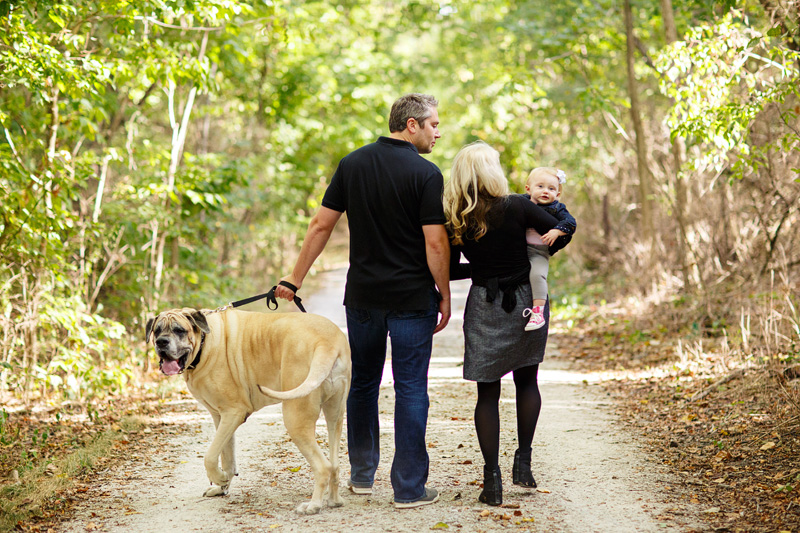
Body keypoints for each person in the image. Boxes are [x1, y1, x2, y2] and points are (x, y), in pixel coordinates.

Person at [274, 93, 451, 509]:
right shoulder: (427, 174)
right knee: (410, 388)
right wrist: (443, 293)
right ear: (411, 125)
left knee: (364, 383)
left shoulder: (352, 164)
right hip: (411, 298)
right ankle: (409, 488)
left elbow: (321, 224)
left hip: (364, 298)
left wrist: (293, 280)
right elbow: (435, 241)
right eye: (434, 125)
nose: (438, 133)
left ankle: (361, 476)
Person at [443, 141, 559, 507]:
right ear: (491, 171)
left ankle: (491, 479)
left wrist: (481, 268)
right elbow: (558, 230)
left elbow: (447, 268)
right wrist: (531, 257)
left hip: (483, 302)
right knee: (527, 380)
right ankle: (523, 462)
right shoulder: (519, 205)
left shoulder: (457, 215)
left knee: (487, 392)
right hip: (526, 300)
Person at [521, 167, 576, 331]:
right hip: (519, 249)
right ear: (528, 188)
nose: (545, 191)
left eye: (551, 189)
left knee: (538, 275)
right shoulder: (522, 202)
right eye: (540, 186)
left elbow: (571, 223)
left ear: (557, 194)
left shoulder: (557, 208)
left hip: (539, 252)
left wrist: (556, 231)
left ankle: (537, 313)